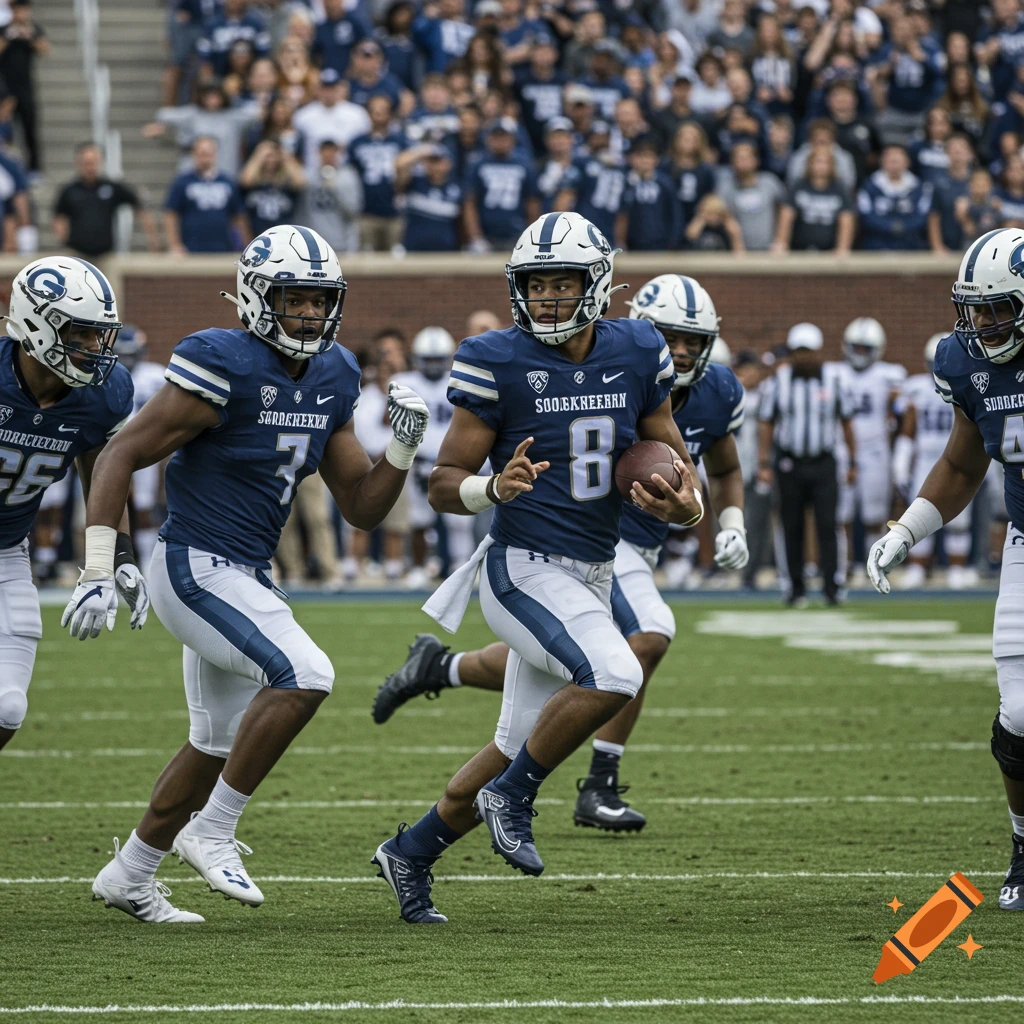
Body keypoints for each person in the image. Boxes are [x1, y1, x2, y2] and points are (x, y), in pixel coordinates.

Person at [73, 225, 429, 924]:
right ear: (258, 297)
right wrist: (97, 564)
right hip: (193, 565)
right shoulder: (222, 360)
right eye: (293, 299)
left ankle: (132, 872)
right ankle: (212, 829)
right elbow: (119, 455)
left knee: (214, 742)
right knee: (306, 673)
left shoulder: (331, 375)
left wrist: (404, 450)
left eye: (318, 300)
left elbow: (359, 506)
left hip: (244, 572)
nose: (307, 314)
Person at [369, 212, 703, 923]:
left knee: (511, 744)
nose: (548, 298)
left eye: (564, 283)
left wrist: (689, 510)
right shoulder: (497, 357)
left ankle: (411, 852)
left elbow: (675, 455)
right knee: (616, 673)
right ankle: (514, 798)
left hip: (593, 569)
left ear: (599, 284)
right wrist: (490, 488)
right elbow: (441, 480)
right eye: (537, 284)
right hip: (521, 569)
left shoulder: (639, 348)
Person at [868, 226, 1024, 911]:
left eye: (1001, 307)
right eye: (976, 308)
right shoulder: (965, 362)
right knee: (1019, 713)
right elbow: (964, 461)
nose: (985, 323)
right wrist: (907, 529)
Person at [0, 257, 139, 752]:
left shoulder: (102, 395)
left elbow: (105, 474)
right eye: (78, 334)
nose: (92, 348)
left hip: (5, 551)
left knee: (7, 707)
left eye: (97, 335)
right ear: (36, 324)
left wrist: (114, 560)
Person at [758, 322, 857, 608]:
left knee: (829, 524)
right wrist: (765, 462)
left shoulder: (834, 380)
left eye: (808, 351)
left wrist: (852, 461)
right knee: (791, 525)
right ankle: (793, 587)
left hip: (824, 461)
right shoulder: (779, 381)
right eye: (798, 352)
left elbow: (847, 422)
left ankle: (832, 586)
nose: (803, 357)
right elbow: (766, 422)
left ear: (818, 352)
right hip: (789, 462)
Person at [391, 326, 474, 586]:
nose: (435, 365)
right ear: (417, 359)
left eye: (439, 359)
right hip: (418, 462)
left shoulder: (461, 381)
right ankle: (418, 566)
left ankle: (463, 565)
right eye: (429, 360)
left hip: (453, 461)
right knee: (418, 519)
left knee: (460, 520)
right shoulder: (406, 384)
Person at [892, 333, 975, 590]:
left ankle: (957, 569)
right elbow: (909, 429)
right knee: (919, 513)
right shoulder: (917, 388)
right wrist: (901, 463)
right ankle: (918, 567)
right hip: (926, 460)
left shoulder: (967, 385)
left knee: (959, 520)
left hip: (958, 457)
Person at [829, 318, 907, 587]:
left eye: (866, 348)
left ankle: (874, 563)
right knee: (842, 515)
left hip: (876, 451)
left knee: (876, 515)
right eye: (856, 347)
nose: (860, 353)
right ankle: (846, 565)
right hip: (841, 450)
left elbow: (901, 414)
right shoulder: (834, 372)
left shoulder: (891, 375)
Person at [112, 326, 167, 573]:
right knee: (108, 506)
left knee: (145, 507)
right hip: (110, 449)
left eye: (130, 353)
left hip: (147, 451)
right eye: (121, 354)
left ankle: (146, 565)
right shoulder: (106, 375)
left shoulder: (155, 376)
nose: (126, 359)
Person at [53, 143, 160, 257]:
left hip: (105, 254)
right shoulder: (69, 190)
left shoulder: (111, 188)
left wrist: (153, 238)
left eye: (93, 162)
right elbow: (59, 215)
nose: (90, 167)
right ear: (79, 163)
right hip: (77, 253)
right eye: (86, 163)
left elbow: (139, 205)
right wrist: (62, 238)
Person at [463, 118, 540, 251]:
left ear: (513, 139)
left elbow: (532, 203)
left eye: (504, 136)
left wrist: (531, 238)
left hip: (516, 235)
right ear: (488, 139)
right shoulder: (477, 164)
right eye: (496, 136)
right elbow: (469, 203)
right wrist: (475, 237)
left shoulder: (524, 165)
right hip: (486, 236)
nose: (500, 141)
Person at [164, 136, 250, 255]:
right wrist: (175, 245)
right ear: (194, 155)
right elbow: (171, 215)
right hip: (191, 247)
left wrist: (246, 246)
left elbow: (239, 216)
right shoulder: (182, 182)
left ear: (215, 154)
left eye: (208, 153)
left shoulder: (227, 182)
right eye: (201, 154)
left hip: (223, 247)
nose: (204, 158)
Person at [349, 94, 406, 253]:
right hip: (366, 212)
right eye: (374, 110)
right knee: (366, 266)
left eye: (383, 110)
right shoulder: (357, 142)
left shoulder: (400, 141)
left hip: (394, 212)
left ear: (390, 114)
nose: (379, 115)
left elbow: (407, 175)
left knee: (397, 265)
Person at [775, 144, 855, 253]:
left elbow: (846, 219)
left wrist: (842, 248)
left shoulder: (839, 189)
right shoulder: (798, 186)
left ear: (832, 165)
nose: (821, 166)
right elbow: (786, 215)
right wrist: (781, 243)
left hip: (830, 252)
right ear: (810, 163)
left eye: (825, 162)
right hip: (799, 250)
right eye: (818, 161)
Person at [0, 0, 48, 174]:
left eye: (24, 9)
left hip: (26, 86)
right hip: (5, 88)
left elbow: (45, 50)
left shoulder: (33, 29)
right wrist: (9, 35)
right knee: (6, 131)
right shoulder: (4, 29)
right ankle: (8, 167)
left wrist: (30, 36)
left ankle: (34, 169)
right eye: (17, 9)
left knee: (30, 128)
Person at [855, 144, 933, 251]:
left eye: (897, 158)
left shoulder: (919, 186)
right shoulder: (869, 185)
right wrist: (889, 227)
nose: (894, 161)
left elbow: (922, 215)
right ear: (882, 161)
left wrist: (903, 227)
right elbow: (866, 215)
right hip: (876, 244)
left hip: (911, 244)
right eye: (890, 158)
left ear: (907, 162)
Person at [718, 140, 789, 252]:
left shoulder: (770, 182)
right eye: (739, 158)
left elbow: (785, 209)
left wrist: (780, 240)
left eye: (746, 158)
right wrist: (736, 242)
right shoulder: (726, 187)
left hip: (770, 249)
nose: (743, 162)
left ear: (756, 160)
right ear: (732, 162)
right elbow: (722, 214)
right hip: (737, 250)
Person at [295, 140, 363, 253]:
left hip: (340, 240)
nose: (328, 156)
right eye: (325, 151)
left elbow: (353, 211)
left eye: (332, 152)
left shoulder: (348, 176)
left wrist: (335, 190)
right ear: (319, 153)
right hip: (313, 240)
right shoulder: (309, 176)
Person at [615, 137, 682, 251]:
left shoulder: (665, 183)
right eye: (640, 156)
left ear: (656, 159)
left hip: (660, 243)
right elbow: (620, 214)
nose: (644, 161)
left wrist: (673, 241)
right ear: (631, 158)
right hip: (632, 244)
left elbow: (675, 213)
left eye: (649, 156)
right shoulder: (623, 182)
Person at [237, 138, 305, 236]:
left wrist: (285, 154)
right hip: (256, 233)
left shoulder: (285, 183)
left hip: (284, 235)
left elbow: (300, 182)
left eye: (274, 156)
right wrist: (259, 154)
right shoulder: (254, 183)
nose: (271, 159)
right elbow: (245, 181)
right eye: (268, 156)